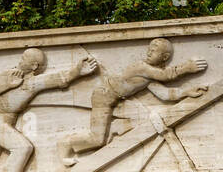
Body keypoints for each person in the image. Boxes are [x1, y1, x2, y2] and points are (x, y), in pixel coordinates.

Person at [62, 38, 207, 165]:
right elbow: (165, 75)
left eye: (154, 50)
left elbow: (165, 95)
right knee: (97, 139)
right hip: (103, 96)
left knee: (140, 121)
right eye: (149, 49)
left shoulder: (149, 75)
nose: (149, 52)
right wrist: (186, 68)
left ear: (165, 57)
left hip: (114, 100)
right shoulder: (142, 67)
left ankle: (110, 133)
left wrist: (187, 91)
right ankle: (66, 143)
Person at [0, 48, 98, 172]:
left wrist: (77, 71)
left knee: (20, 147)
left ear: (34, 66)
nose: (19, 62)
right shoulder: (10, 74)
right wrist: (8, 84)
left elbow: (59, 78)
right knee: (22, 147)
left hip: (5, 123)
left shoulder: (34, 82)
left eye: (23, 59)